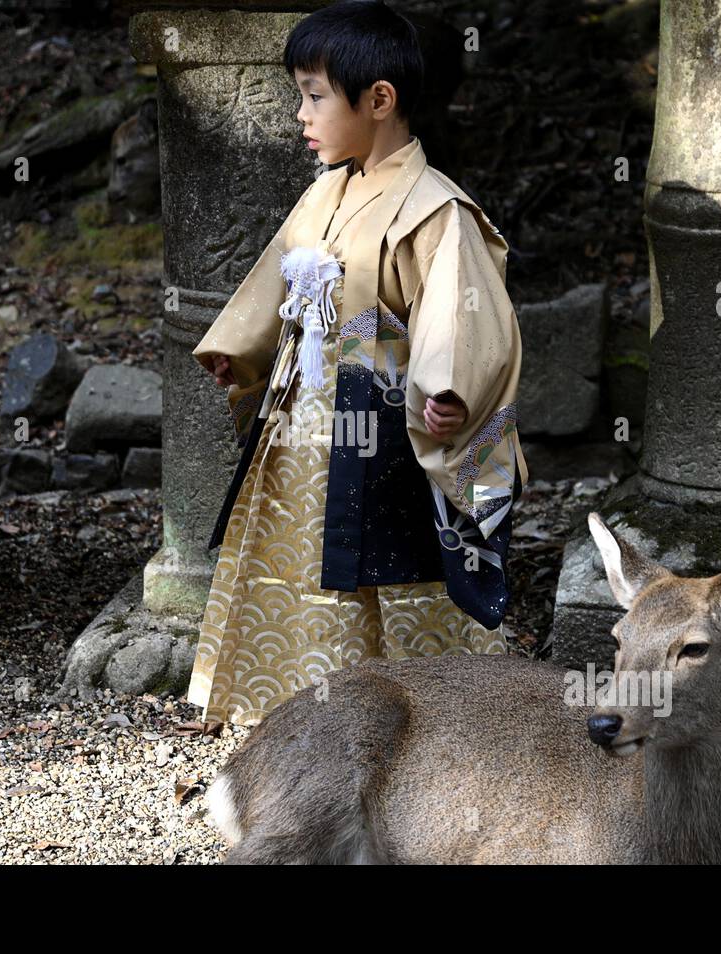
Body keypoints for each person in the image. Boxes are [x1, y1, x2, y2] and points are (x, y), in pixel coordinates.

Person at [187, 0, 528, 727]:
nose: (301, 116)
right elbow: (278, 278)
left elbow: (463, 312)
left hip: (385, 421)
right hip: (303, 417)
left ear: (379, 101)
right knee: (296, 555)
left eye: (313, 97)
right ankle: (287, 704)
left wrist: (448, 389)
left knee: (385, 561)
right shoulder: (328, 190)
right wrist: (241, 346)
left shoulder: (437, 210)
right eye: (299, 96)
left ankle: (417, 718)